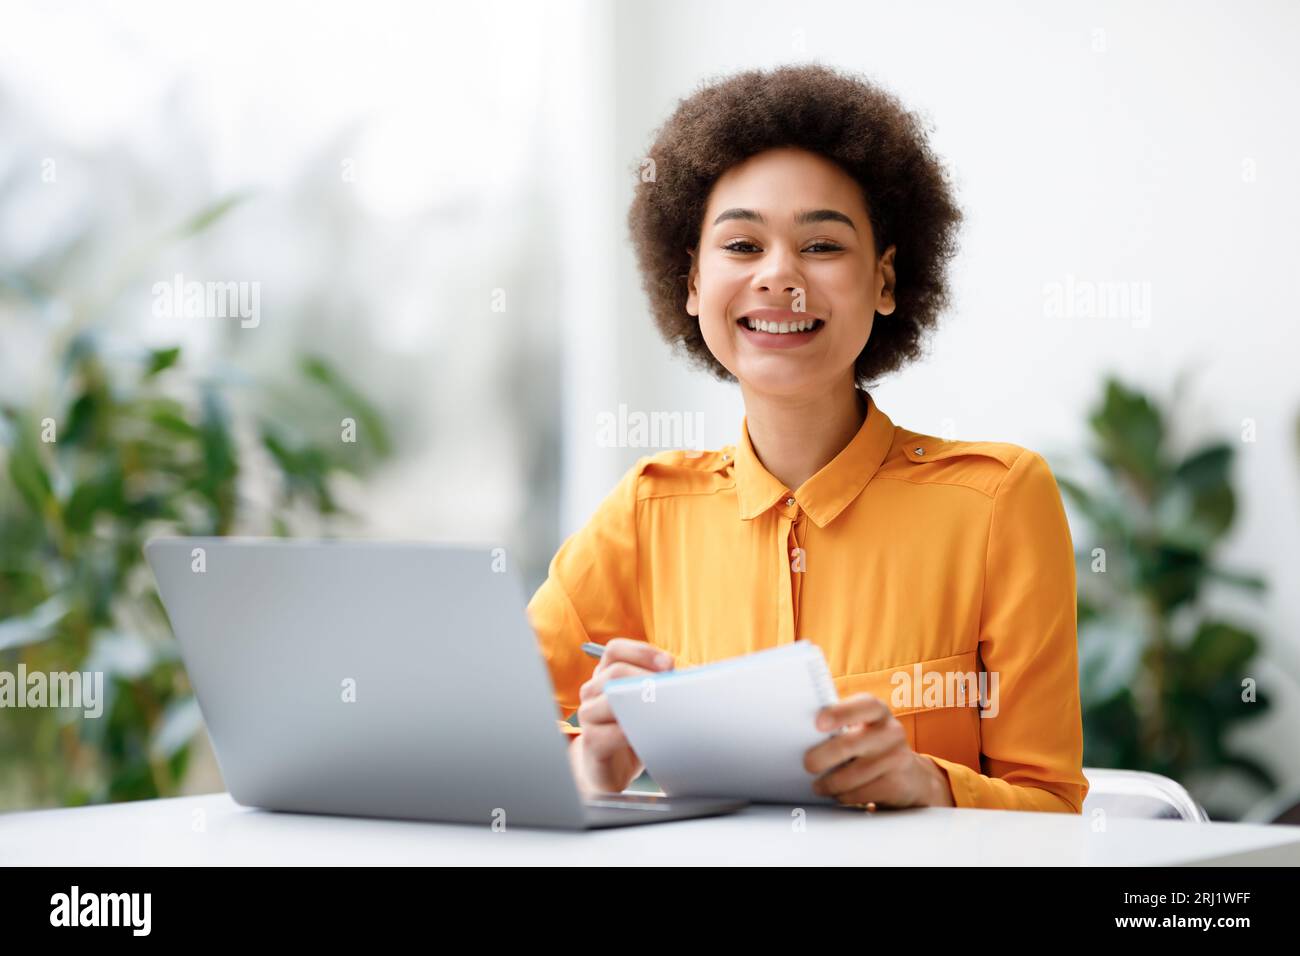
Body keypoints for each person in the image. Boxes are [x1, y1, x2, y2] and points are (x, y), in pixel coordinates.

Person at [526, 63, 1088, 813]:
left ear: (886, 282)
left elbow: (1054, 811)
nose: (781, 277)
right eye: (742, 246)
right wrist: (594, 769)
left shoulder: (996, 501)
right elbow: (494, 751)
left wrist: (929, 784)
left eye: (821, 247)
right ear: (691, 282)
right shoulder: (646, 511)